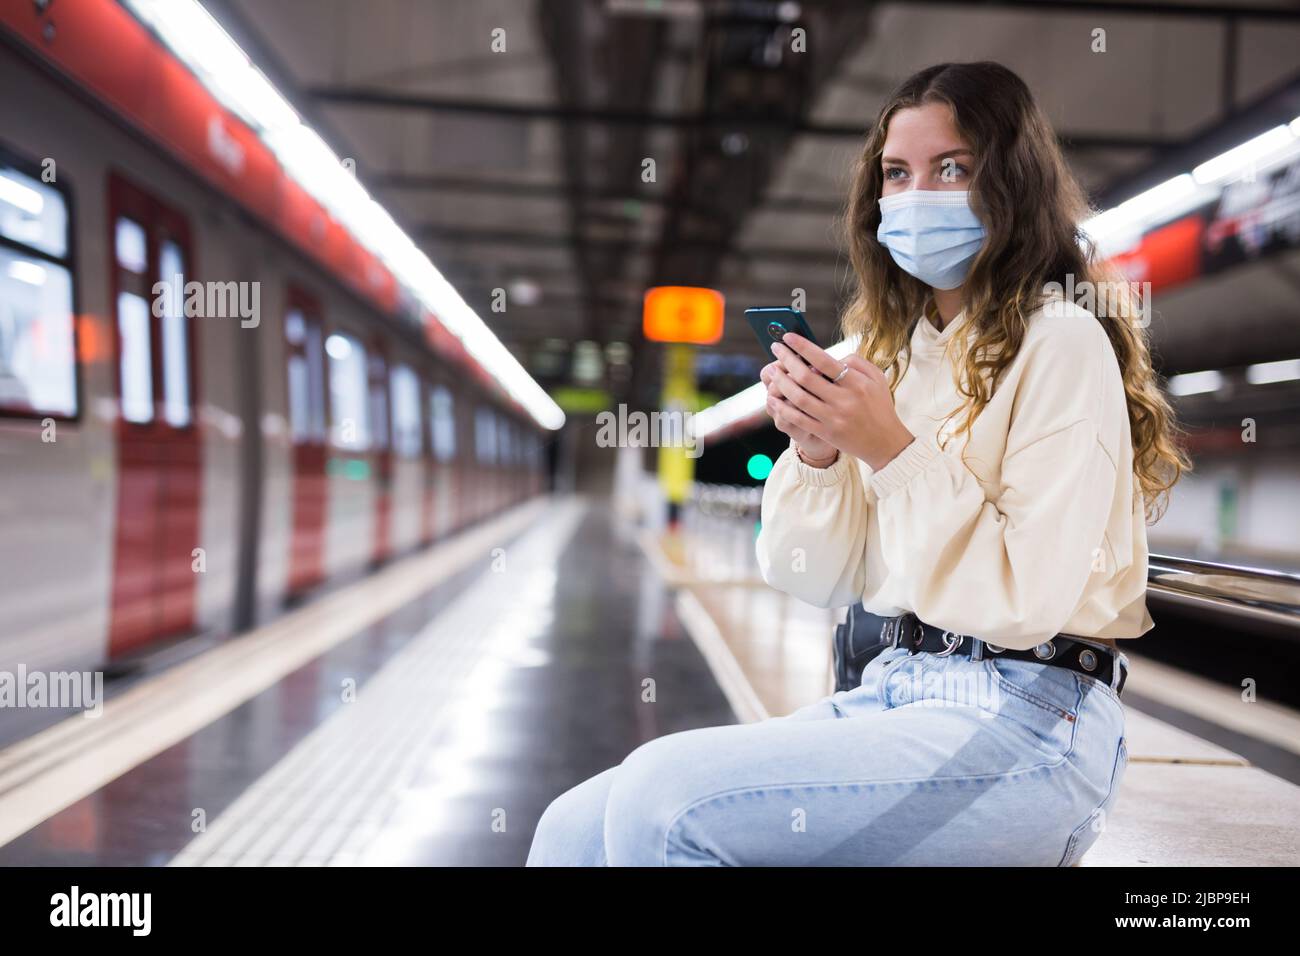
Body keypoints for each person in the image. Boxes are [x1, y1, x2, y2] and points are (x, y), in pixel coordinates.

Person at [526, 60, 1186, 867]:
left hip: (1031, 721)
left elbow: (1026, 600)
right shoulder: (897, 357)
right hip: (890, 690)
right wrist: (819, 453)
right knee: (570, 825)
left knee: (666, 801)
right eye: (896, 175)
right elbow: (812, 575)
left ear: (1009, 184)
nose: (918, 197)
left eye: (953, 168)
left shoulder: (1063, 341)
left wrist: (892, 451)